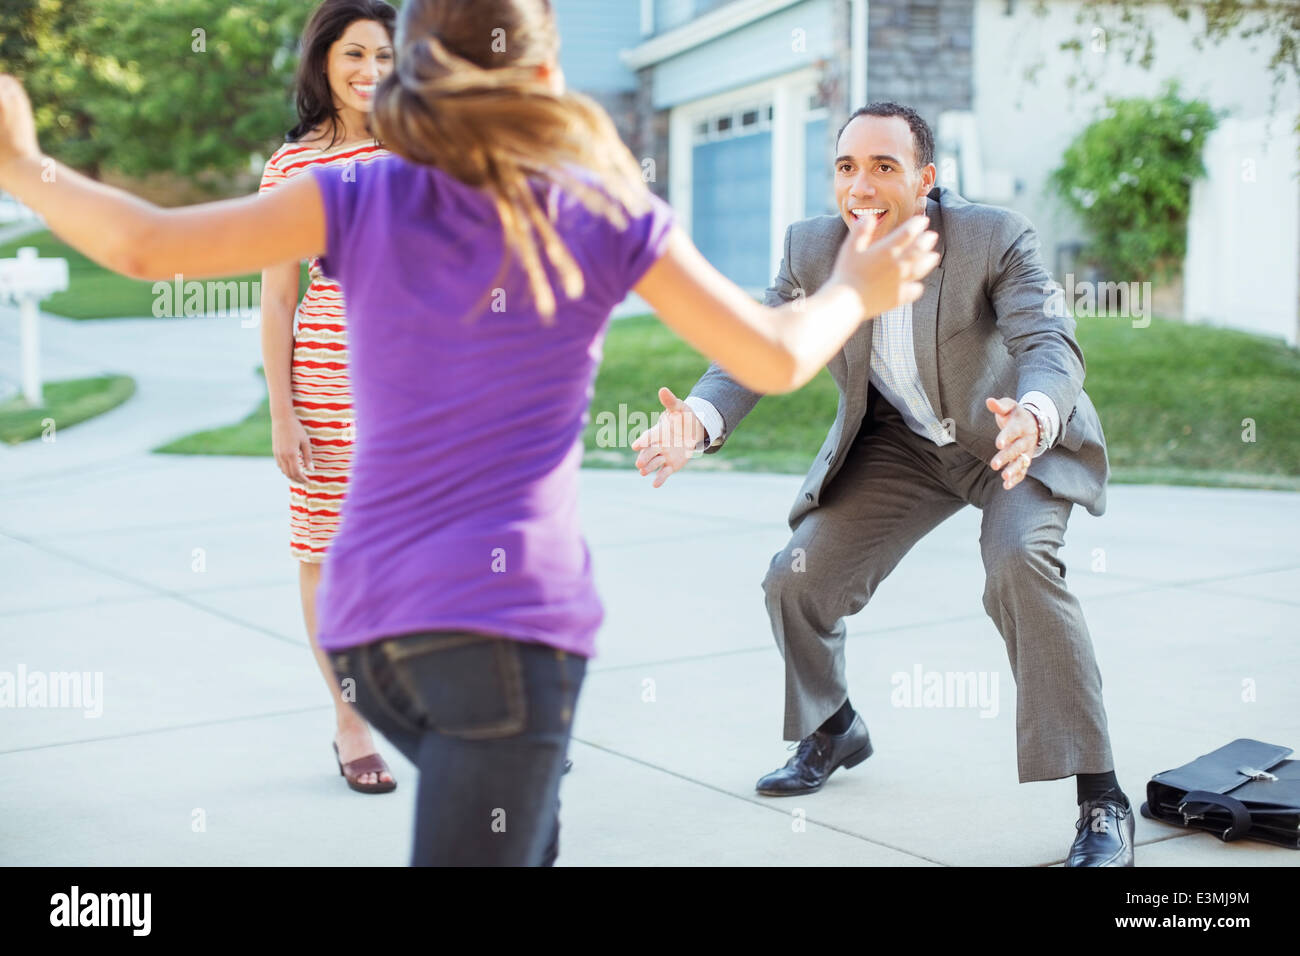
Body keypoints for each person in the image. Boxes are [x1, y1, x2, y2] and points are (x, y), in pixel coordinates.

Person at [0, 0, 938, 865]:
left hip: (368, 633)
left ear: (411, 71)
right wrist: (857, 287)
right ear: (544, 75)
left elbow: (145, 246)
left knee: (526, 836)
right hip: (500, 640)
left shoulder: (358, 195)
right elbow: (774, 357)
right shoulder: (598, 210)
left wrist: (22, 164)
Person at [631, 102, 1133, 867]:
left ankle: (1102, 798)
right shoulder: (812, 249)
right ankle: (833, 728)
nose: (860, 185)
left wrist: (1033, 415)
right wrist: (695, 422)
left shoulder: (992, 237)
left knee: (1019, 564)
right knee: (794, 579)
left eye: (883, 167)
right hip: (902, 445)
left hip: (1008, 440)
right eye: (846, 166)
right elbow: (751, 350)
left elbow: (1050, 344)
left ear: (926, 179)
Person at [259, 0, 398, 795]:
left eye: (382, 55)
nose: (369, 72)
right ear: (323, 60)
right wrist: (282, 411)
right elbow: (279, 300)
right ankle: (351, 722)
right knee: (326, 558)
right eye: (353, 55)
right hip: (325, 389)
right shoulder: (292, 167)